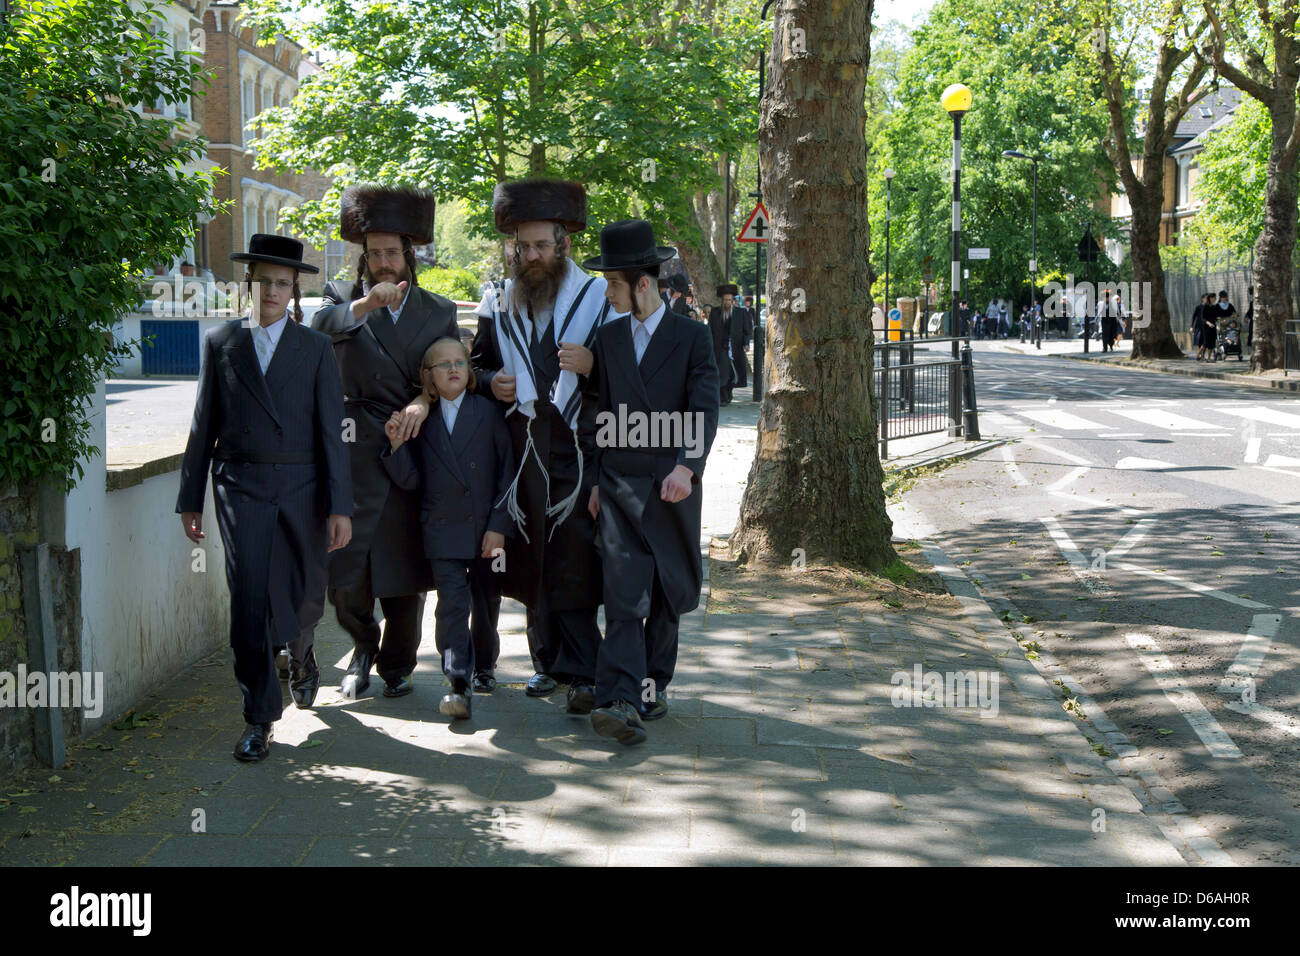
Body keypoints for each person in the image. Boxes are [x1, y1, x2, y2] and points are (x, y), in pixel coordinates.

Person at [177, 234, 353, 762]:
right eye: (263, 281)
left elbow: (331, 430)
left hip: (304, 486)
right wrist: (190, 497)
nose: (272, 291)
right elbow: (202, 422)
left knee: (303, 595)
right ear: (247, 284)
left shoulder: (317, 348)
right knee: (251, 599)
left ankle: (302, 653)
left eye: (282, 283)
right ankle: (259, 716)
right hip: (241, 485)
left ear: (293, 289)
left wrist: (339, 505)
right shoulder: (220, 341)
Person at [312, 185, 460, 700]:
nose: (381, 262)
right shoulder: (340, 301)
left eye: (391, 253)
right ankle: (361, 648)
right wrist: (364, 305)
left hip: (410, 445)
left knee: (404, 563)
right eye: (373, 254)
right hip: (352, 449)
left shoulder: (438, 311)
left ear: (409, 256)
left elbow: (453, 372)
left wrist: (424, 400)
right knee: (347, 568)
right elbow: (317, 329)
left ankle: (398, 662)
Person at [471, 178, 609, 711]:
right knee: (532, 552)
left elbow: (622, 376)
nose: (530, 256)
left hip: (579, 441)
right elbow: (477, 363)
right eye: (522, 247)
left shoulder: (599, 298)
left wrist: (594, 365)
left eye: (540, 246)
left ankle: (580, 666)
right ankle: (544, 663)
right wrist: (489, 383)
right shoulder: (499, 300)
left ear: (563, 246)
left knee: (574, 551)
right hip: (525, 441)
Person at [581, 219, 719, 744]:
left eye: (613, 284)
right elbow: (599, 413)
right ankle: (617, 697)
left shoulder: (692, 335)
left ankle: (651, 686)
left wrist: (688, 467)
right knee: (621, 588)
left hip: (671, 483)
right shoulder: (608, 336)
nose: (608, 293)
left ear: (643, 284)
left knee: (665, 588)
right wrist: (595, 480)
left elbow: (704, 407)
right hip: (618, 482)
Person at [381, 337, 514, 721]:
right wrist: (395, 446)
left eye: (460, 362)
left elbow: (508, 474)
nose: (453, 369)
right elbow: (410, 482)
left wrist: (499, 526)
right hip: (441, 531)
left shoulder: (488, 413)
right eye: (443, 365)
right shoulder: (423, 422)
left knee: (487, 602)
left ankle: (485, 665)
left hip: (488, 529)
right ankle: (458, 680)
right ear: (428, 378)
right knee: (452, 606)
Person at [707, 285, 736, 404]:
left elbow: (745, 330)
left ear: (732, 301)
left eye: (729, 300)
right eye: (725, 300)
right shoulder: (715, 312)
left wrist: (745, 343)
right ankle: (722, 397)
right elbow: (710, 329)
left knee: (730, 374)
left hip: (732, 348)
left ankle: (727, 395)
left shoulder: (738, 313)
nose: (727, 302)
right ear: (722, 301)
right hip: (718, 348)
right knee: (721, 373)